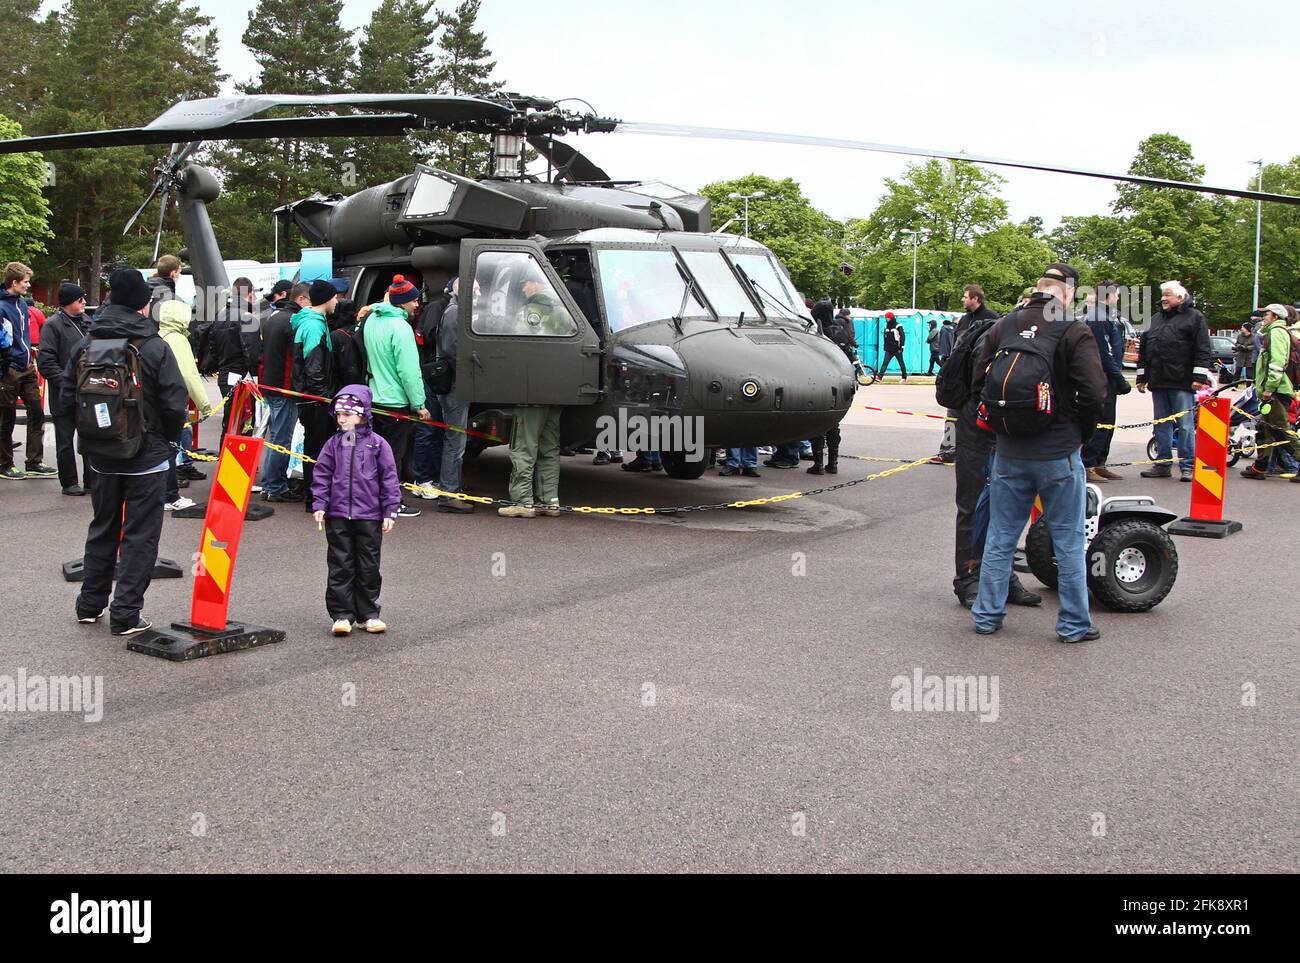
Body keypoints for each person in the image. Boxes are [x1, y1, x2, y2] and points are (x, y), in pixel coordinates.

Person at [970, 263, 1107, 644]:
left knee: (1000, 537)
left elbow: (978, 381)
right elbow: (1094, 392)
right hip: (1058, 451)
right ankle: (1074, 624)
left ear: (1039, 288)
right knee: (1067, 541)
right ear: (1071, 293)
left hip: (1009, 451)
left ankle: (986, 615)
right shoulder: (1074, 329)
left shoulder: (1005, 324)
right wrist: (1081, 432)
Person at [58, 268, 188, 636]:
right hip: (146, 456)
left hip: (100, 455)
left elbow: (67, 399)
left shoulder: (87, 342)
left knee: (103, 527)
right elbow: (174, 404)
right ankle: (126, 614)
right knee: (140, 535)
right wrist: (168, 441)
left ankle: (89, 604)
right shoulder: (153, 345)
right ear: (144, 305)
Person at [944, 283, 1039, 607]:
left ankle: (1001, 575)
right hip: (979, 430)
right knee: (973, 506)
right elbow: (982, 387)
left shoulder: (1035, 340)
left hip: (1008, 432)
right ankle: (969, 578)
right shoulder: (996, 336)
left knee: (1008, 509)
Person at [311, 384, 401, 636]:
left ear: (363, 414)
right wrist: (320, 504)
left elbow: (389, 478)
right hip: (338, 515)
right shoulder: (333, 444)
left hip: (370, 516)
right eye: (338, 414)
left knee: (369, 565)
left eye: (347, 414)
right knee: (340, 564)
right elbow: (322, 474)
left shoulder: (378, 445)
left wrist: (390, 510)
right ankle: (342, 615)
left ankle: (368, 614)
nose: (341, 419)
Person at [498, 278, 568, 517]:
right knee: (550, 449)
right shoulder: (564, 310)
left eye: (525, 284)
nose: (523, 289)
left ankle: (523, 501)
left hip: (531, 392)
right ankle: (551, 501)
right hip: (556, 390)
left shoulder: (528, 312)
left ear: (536, 284)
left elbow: (516, 348)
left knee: (523, 449)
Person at [362, 275, 428, 518]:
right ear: (402, 302)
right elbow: (409, 372)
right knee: (392, 457)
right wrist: (419, 404)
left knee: (373, 453)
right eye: (413, 301)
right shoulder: (401, 328)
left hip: (374, 397)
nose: (417, 305)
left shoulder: (371, 321)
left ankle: (373, 499)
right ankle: (393, 503)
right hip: (395, 402)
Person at [1137, 280, 1213, 482]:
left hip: (1182, 383)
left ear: (1180, 297)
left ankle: (1187, 466)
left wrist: (1199, 377)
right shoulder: (1154, 319)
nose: (1163, 298)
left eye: (1168, 294)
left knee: (1186, 426)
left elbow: (1203, 350)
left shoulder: (1195, 318)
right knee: (1161, 425)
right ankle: (1162, 464)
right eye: (1162, 294)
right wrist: (1141, 376)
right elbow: (1144, 350)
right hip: (1158, 382)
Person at [158, 283, 217, 512]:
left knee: (161, 451)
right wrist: (205, 405)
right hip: (174, 402)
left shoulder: (157, 337)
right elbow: (189, 375)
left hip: (157, 403)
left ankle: (161, 494)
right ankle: (170, 496)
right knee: (171, 450)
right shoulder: (179, 341)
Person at [36, 283, 94, 494]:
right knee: (65, 441)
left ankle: (91, 481)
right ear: (70, 302)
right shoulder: (53, 325)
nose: (85, 303)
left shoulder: (88, 323)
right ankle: (69, 482)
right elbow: (46, 361)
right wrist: (67, 381)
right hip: (64, 393)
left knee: (89, 438)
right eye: (81, 300)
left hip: (87, 391)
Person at [0, 262, 56, 480]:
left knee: (37, 412)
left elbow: (21, 335)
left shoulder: (22, 305)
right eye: (25, 281)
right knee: (7, 417)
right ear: (14, 282)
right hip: (9, 369)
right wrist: (6, 365)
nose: (29, 285)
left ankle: (34, 461)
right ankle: (5, 463)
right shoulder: (2, 307)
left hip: (26, 366)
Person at [425, 278, 474, 513]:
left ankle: (450, 490)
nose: (480, 293)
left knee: (454, 441)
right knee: (455, 442)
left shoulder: (453, 311)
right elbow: (453, 351)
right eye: (476, 289)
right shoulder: (456, 313)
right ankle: (449, 495)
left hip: (453, 384)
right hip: (455, 386)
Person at [292, 279, 340, 513]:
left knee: (316, 448)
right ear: (327, 299)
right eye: (334, 297)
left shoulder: (314, 322)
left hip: (312, 398)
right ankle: (316, 499)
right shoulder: (314, 326)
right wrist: (324, 398)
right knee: (317, 450)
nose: (337, 301)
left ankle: (316, 496)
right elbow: (313, 366)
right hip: (315, 400)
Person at [259, 282, 309, 502]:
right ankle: (274, 486)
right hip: (283, 387)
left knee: (276, 435)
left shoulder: (274, 318)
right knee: (281, 438)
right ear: (301, 299)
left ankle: (271, 483)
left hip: (270, 384)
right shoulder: (293, 321)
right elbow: (294, 359)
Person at [1239, 304, 1300, 481]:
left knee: (1282, 430)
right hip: (1274, 390)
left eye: (1267, 314)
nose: (1263, 316)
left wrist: (1269, 389)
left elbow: (1277, 362)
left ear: (1275, 316)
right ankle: (1260, 467)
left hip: (1276, 391)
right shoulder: (1273, 332)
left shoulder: (1277, 332)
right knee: (1265, 428)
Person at [1081, 280, 1132, 482]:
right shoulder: (1097, 318)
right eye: (1117, 294)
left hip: (1108, 376)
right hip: (1101, 376)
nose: (1118, 297)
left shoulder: (1108, 316)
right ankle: (1089, 463)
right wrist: (1119, 377)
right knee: (1101, 421)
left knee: (1108, 421)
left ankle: (1100, 462)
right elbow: (1102, 352)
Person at [211, 277, 259, 440]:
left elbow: (213, 348)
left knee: (230, 422)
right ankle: (240, 463)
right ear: (250, 294)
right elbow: (251, 351)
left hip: (225, 376)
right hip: (242, 378)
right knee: (245, 423)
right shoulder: (247, 317)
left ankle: (225, 459)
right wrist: (256, 375)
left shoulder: (220, 316)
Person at [880, 312, 908, 382]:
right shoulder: (886, 326)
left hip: (897, 349)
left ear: (891, 318)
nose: (886, 319)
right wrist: (885, 346)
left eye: (888, 318)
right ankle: (879, 377)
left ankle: (904, 377)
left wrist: (902, 347)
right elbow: (885, 337)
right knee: (885, 363)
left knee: (901, 362)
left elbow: (902, 336)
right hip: (889, 349)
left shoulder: (898, 325)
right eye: (886, 318)